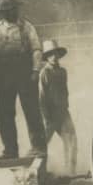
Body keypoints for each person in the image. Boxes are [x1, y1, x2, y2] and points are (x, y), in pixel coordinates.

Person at [0, 0, 47, 160]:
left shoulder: (26, 27)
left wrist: (35, 70)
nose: (8, 13)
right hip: (5, 75)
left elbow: (36, 49)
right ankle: (10, 150)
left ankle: (39, 148)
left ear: (16, 9)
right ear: (1, 12)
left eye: (11, 10)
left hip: (25, 73)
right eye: (4, 11)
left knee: (32, 110)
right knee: (4, 113)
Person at [37, 40, 77, 175]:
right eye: (50, 54)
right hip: (49, 114)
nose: (53, 57)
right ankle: (38, 172)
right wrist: (46, 117)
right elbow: (42, 97)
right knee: (41, 145)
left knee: (71, 139)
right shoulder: (44, 73)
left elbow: (65, 91)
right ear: (47, 57)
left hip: (63, 113)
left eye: (55, 54)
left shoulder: (62, 72)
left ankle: (70, 173)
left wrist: (65, 107)